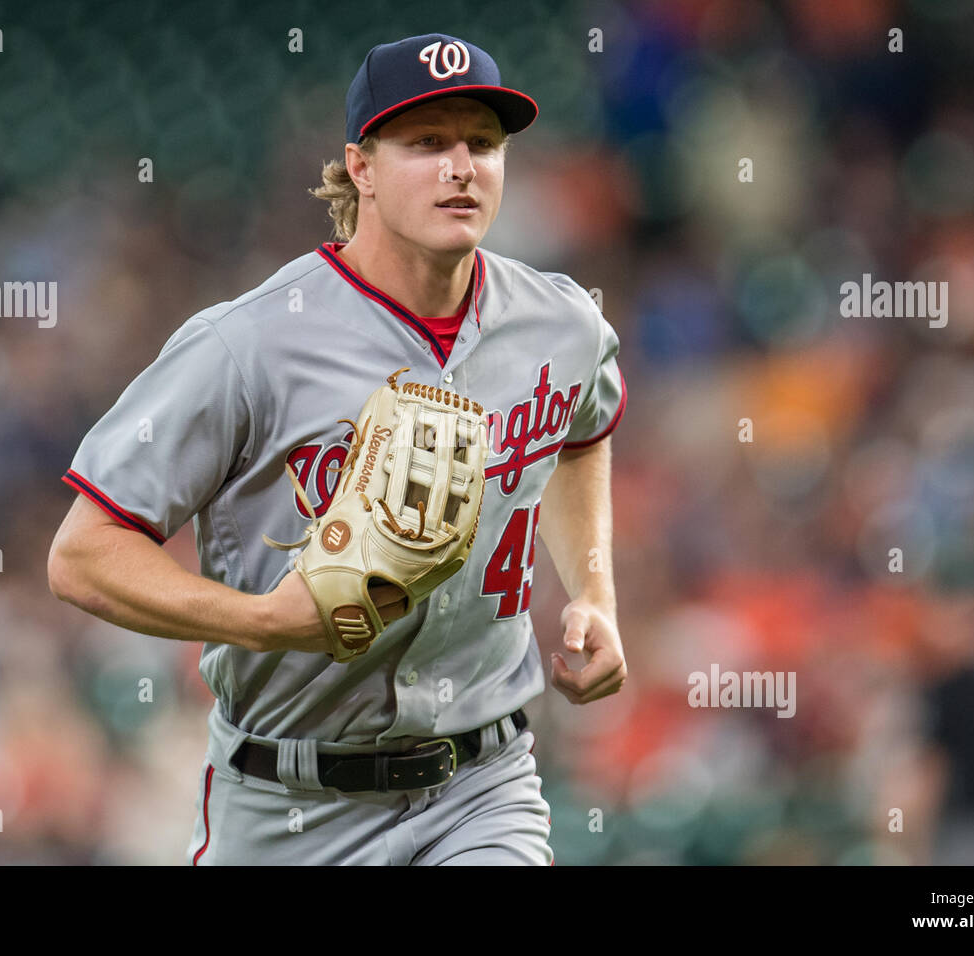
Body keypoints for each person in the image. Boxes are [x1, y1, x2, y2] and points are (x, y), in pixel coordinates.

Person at [47, 33, 627, 865]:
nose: (461, 167)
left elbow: (581, 433)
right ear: (361, 168)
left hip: (481, 789)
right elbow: (82, 555)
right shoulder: (247, 344)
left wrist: (594, 592)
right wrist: (262, 622)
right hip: (287, 803)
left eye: (483, 143)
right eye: (426, 143)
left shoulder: (560, 324)